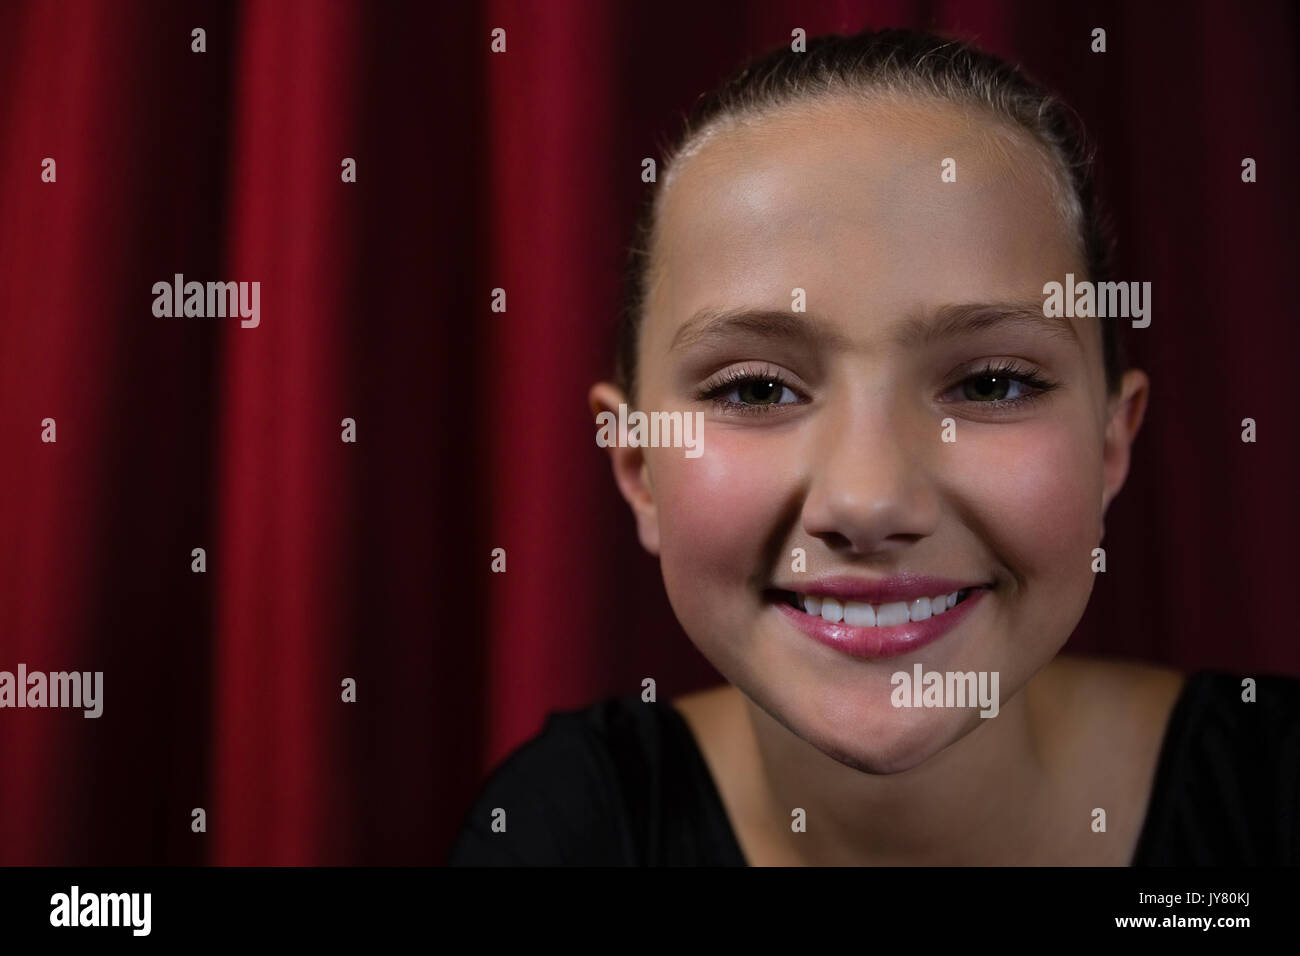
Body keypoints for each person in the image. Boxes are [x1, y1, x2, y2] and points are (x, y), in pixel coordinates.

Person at [449, 26, 1300, 866]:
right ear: (639, 468)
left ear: (1109, 447)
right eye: (754, 390)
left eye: (991, 384)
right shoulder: (566, 832)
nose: (869, 501)